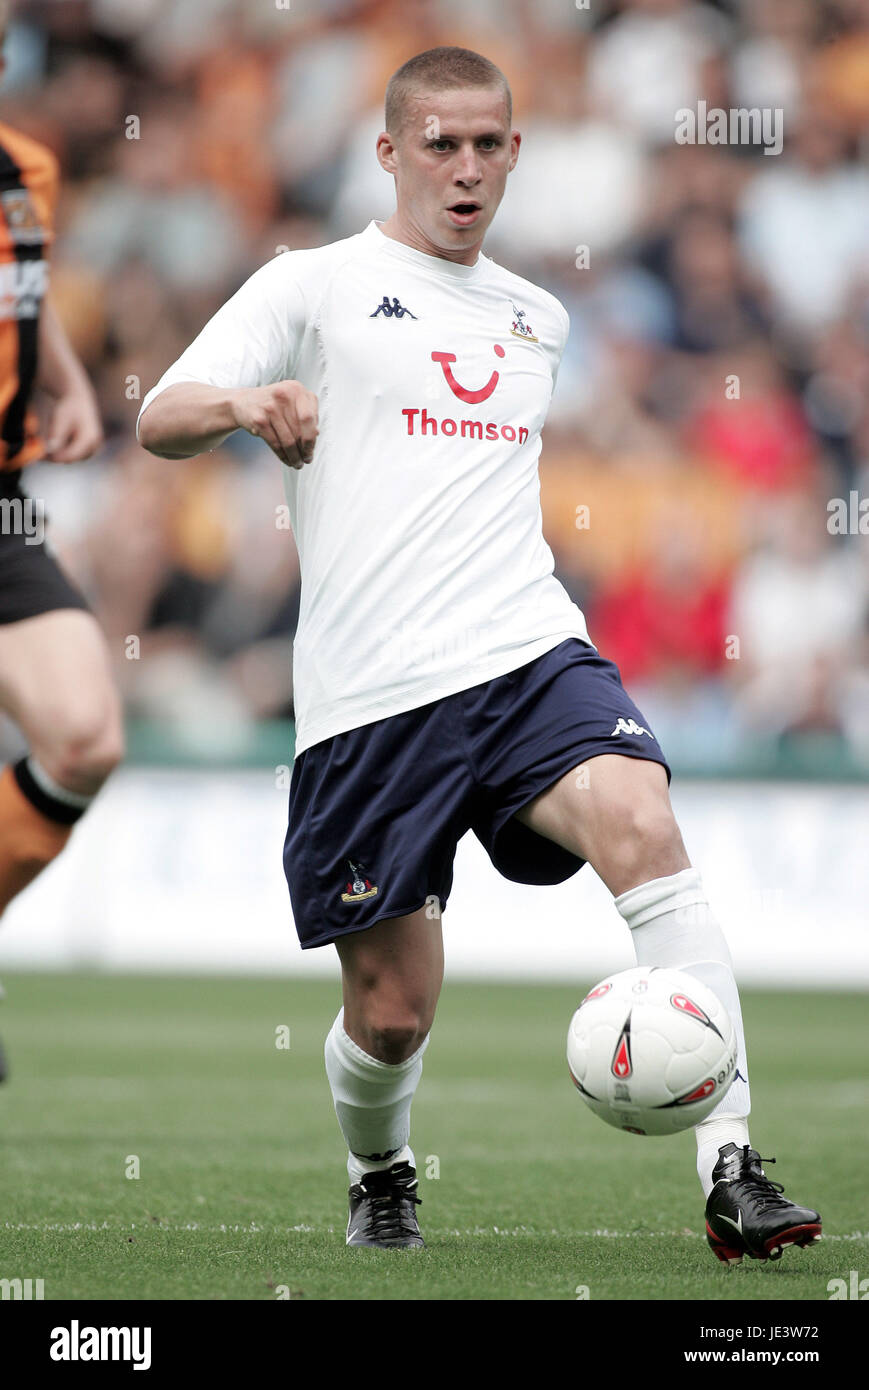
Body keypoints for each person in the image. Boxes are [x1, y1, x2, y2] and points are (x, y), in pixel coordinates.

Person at [137, 46, 821, 1263]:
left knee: (643, 822)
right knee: (392, 1015)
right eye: (438, 144)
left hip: (522, 649)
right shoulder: (312, 286)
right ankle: (380, 1170)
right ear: (388, 153)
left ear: (515, 153)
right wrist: (246, 407)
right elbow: (160, 413)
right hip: (371, 696)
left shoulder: (536, 315)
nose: (464, 168)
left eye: (486, 143)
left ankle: (732, 1165)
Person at [0, 4, 124, 1081]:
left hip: (2, 505)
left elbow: (23, 308)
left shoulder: (24, 170)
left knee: (85, 734)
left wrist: (69, 384)